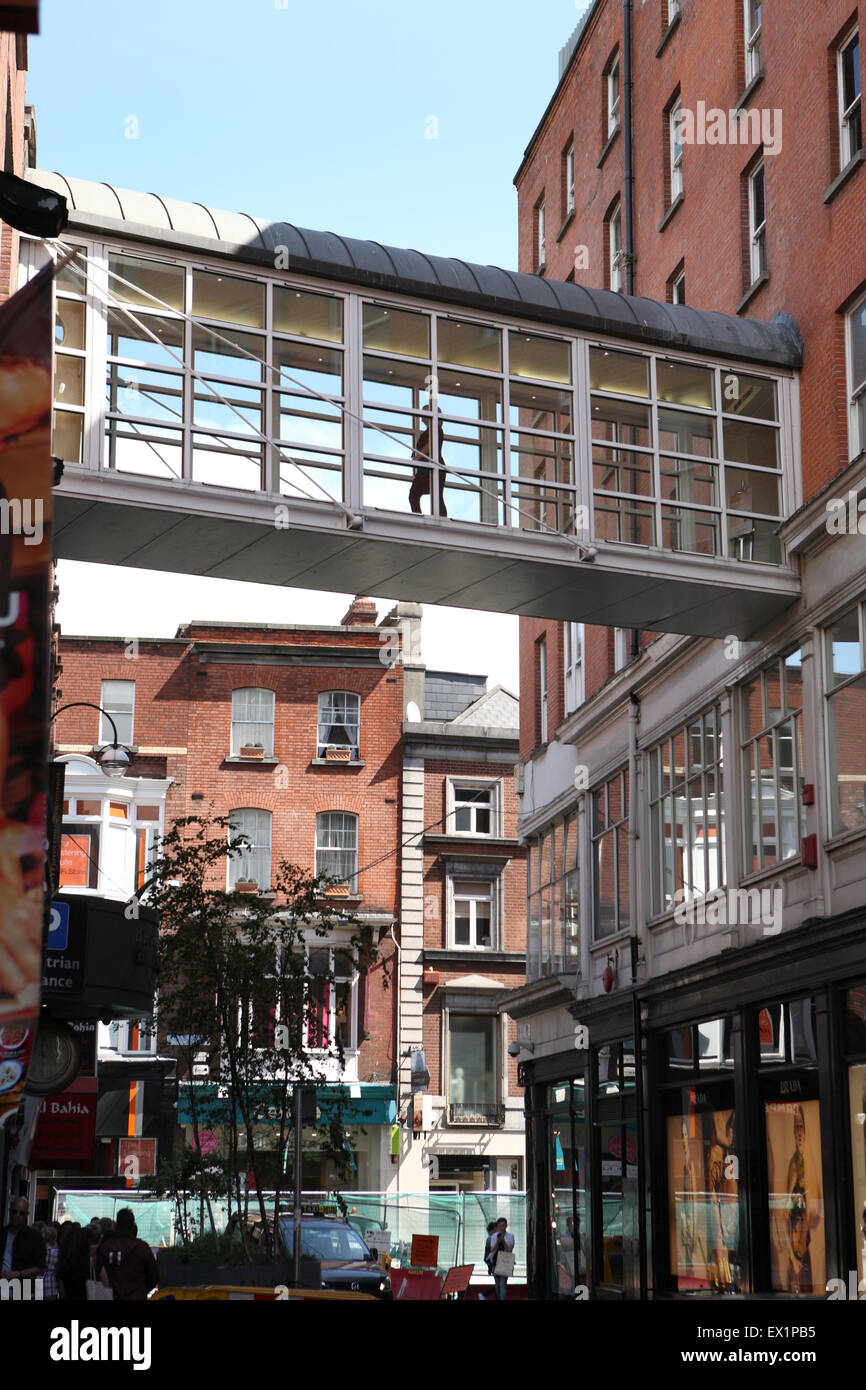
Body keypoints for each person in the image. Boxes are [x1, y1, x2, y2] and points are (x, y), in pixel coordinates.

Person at [95, 1208, 158, 1301]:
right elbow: (154, 1276)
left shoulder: (104, 1248)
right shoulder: (142, 1248)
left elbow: (96, 1273)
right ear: (133, 1226)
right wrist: (141, 1290)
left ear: (116, 1226)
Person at [0, 1195, 45, 1287]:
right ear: (9, 1212)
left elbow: (41, 1268)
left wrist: (17, 1274)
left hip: (24, 1288)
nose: (17, 1215)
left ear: (27, 1215)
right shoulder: (2, 1234)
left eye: (21, 1213)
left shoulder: (35, 1237)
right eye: (14, 1212)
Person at [408, 416, 447, 517]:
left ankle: (418, 517)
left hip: (431, 467)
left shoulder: (436, 429)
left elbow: (430, 445)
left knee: (415, 494)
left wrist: (417, 456)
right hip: (429, 467)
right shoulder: (432, 430)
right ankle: (439, 518)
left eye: (423, 415)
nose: (421, 419)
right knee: (434, 495)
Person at [484, 1216, 515, 1301]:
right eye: (500, 1226)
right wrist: (498, 1240)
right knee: (497, 1285)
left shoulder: (510, 1236)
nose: (502, 1228)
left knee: (502, 1284)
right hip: (495, 1261)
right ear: (497, 1226)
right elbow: (492, 1249)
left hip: (505, 1262)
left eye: (503, 1225)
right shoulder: (494, 1236)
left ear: (506, 1226)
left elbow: (509, 1250)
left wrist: (503, 1240)